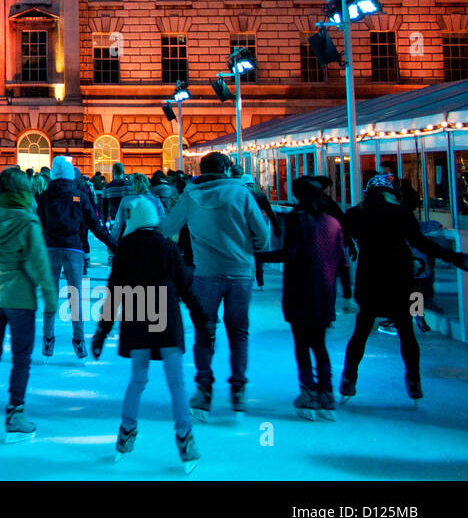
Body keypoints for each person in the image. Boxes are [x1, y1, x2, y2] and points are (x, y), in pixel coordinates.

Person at [91, 200, 207, 473]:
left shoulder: (125, 249)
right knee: (176, 382)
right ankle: (184, 438)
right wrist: (202, 322)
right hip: (165, 317)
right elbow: (187, 287)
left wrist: (102, 331)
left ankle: (127, 430)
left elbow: (114, 293)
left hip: (137, 316)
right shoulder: (167, 246)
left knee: (138, 378)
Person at [159, 151, 270, 419]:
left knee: (204, 332)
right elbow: (263, 236)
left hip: (206, 273)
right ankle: (238, 390)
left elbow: (166, 228)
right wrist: (248, 249)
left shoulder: (191, 195)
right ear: (226, 168)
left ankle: (204, 390)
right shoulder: (242, 193)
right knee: (239, 332)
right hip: (240, 273)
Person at [340, 173, 468, 404]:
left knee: (361, 331)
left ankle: (349, 377)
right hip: (400, 277)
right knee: (406, 332)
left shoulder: (355, 214)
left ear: (367, 193)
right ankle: (413, 380)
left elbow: (342, 234)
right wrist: (452, 256)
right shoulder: (400, 213)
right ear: (391, 193)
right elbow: (420, 242)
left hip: (369, 278)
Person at [0, 168, 58, 440]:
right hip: (19, 297)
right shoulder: (28, 222)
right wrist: (50, 296)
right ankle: (15, 413)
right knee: (21, 357)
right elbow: (41, 264)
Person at [253, 176, 348, 420]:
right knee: (320, 344)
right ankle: (326, 394)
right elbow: (342, 261)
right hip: (325, 291)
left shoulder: (297, 219)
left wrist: (258, 256)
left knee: (302, 343)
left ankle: (307, 391)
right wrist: (348, 294)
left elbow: (290, 253)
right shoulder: (333, 222)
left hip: (300, 287)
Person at [37, 156, 117, 359]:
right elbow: (95, 224)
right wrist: (114, 245)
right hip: (73, 249)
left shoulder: (45, 196)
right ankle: (79, 340)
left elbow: (38, 224)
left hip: (50, 249)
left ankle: (48, 339)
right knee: (75, 295)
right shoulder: (78, 195)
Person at [109, 173, 165, 245]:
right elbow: (162, 222)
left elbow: (119, 224)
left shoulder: (126, 200)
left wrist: (112, 242)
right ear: (147, 184)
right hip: (151, 240)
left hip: (130, 238)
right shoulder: (156, 200)